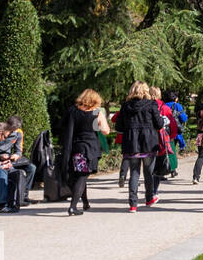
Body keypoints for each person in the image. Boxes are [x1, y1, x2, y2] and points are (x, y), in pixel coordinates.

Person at [114, 81, 165, 210]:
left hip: (132, 142)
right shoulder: (152, 104)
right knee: (148, 172)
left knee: (134, 173)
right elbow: (159, 124)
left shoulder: (125, 106)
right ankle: (149, 198)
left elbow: (119, 127)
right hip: (149, 142)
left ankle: (133, 204)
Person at [60, 89, 110, 216]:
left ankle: (86, 202)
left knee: (81, 175)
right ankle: (73, 206)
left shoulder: (73, 111)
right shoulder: (96, 112)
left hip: (75, 147)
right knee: (82, 176)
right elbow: (105, 131)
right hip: (89, 149)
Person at [0, 115, 35, 204]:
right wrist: (0, 157)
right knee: (14, 171)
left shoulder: (19, 133)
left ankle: (24, 196)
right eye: (12, 129)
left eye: (15, 129)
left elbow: (19, 150)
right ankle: (15, 198)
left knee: (31, 168)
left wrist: (16, 155)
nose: (13, 131)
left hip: (10, 157)